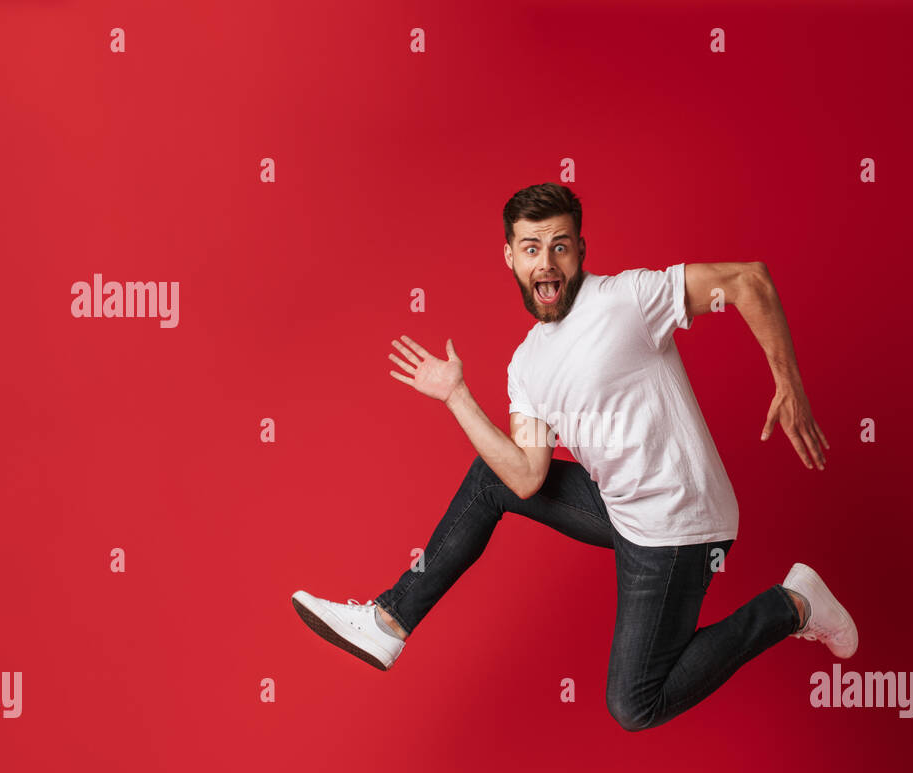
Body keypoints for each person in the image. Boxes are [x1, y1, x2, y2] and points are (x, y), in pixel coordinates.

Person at [292, 183, 858, 732]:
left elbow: (747, 279)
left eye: (560, 246)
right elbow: (525, 476)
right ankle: (389, 621)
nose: (547, 262)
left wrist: (789, 385)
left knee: (634, 704)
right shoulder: (526, 364)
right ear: (510, 257)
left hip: (682, 524)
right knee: (492, 478)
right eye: (532, 248)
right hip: (624, 512)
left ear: (580, 251)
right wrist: (456, 397)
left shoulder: (629, 299)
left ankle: (793, 604)